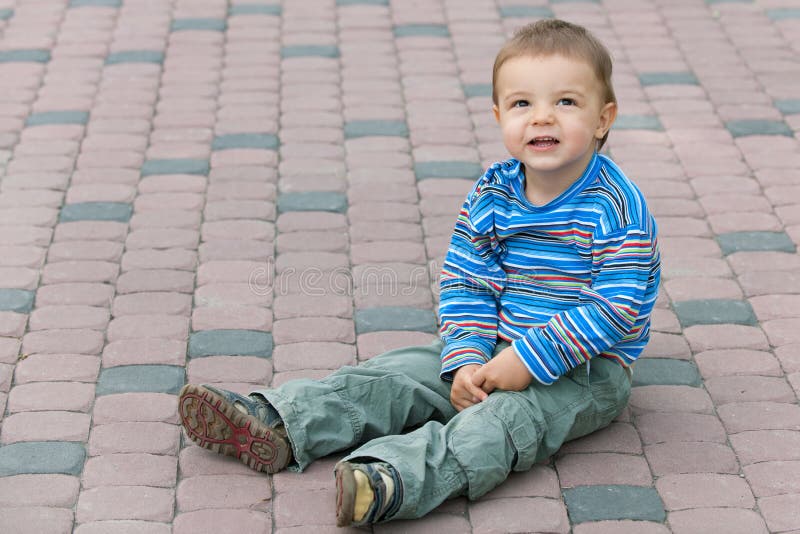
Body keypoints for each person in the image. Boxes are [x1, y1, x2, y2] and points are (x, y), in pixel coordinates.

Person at [178, 18, 661, 527]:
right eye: (522, 104)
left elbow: (615, 306)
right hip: (495, 342)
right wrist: (466, 359)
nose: (542, 118)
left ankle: (391, 479)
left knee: (505, 423)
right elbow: (468, 280)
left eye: (565, 102)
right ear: (499, 115)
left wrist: (528, 359)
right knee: (397, 375)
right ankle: (283, 421)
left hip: (585, 369)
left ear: (603, 118)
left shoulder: (616, 207)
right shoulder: (493, 192)